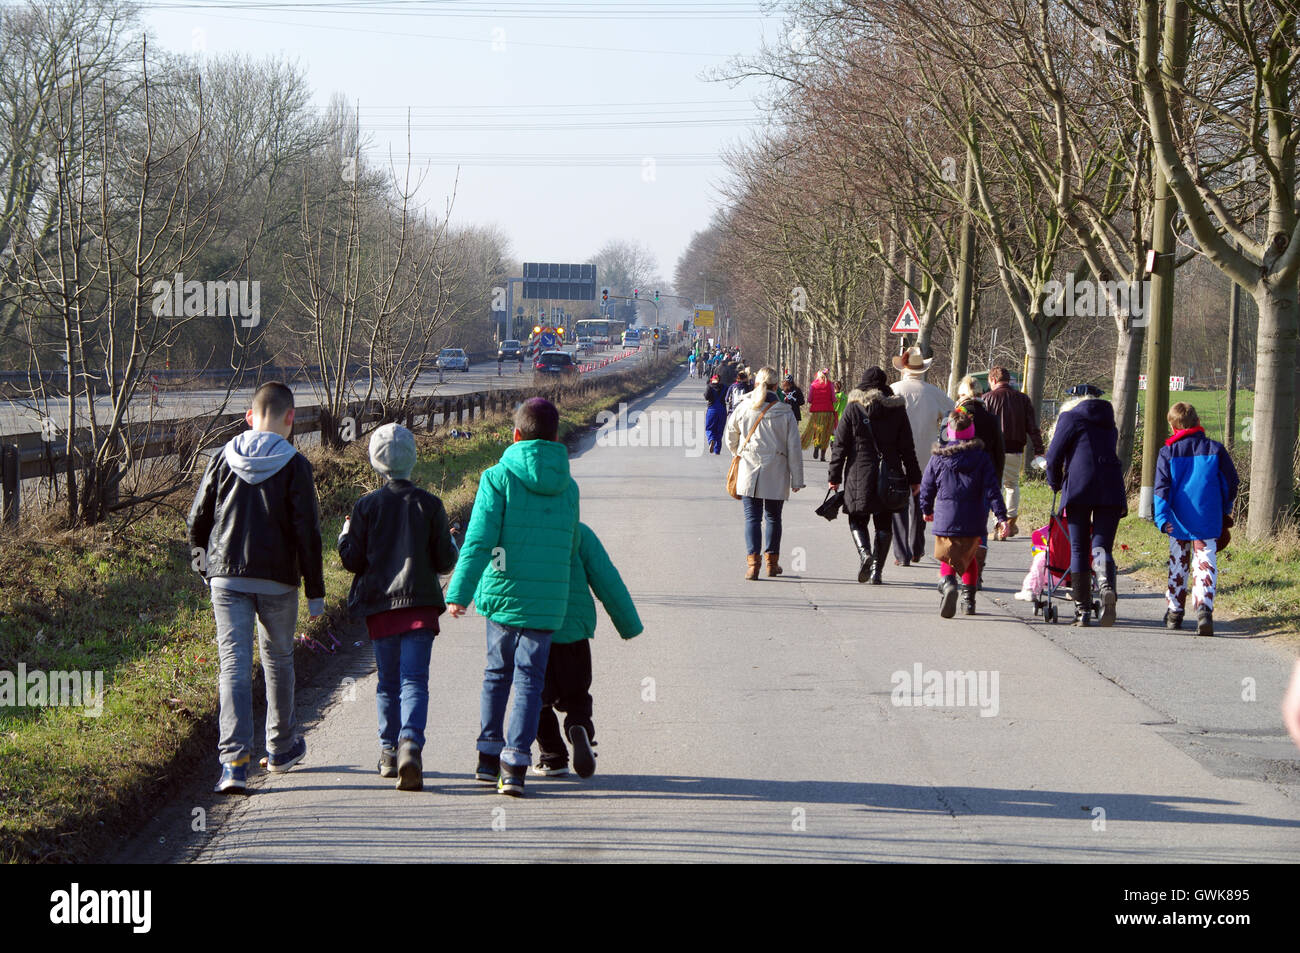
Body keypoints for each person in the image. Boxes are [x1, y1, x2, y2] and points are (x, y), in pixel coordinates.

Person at [187, 381, 325, 794]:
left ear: (249, 417)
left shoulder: (221, 458)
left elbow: (198, 519)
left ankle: (233, 764)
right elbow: (309, 533)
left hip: (226, 577)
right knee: (278, 660)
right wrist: (315, 591)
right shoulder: (296, 466)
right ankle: (281, 749)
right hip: (278, 580)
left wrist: (203, 565)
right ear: (290, 418)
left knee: (233, 664)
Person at [445, 397, 580, 797]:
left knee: (496, 675)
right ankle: (516, 766)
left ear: (515, 435)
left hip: (503, 597)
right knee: (530, 682)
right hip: (547, 604)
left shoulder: (497, 477)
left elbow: (479, 540)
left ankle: (487, 760)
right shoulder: (568, 487)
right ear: (555, 437)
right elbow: (570, 547)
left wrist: (459, 592)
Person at [338, 423, 459, 791]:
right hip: (420, 606)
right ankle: (411, 744)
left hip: (381, 610)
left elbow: (352, 560)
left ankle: (388, 753)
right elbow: (443, 562)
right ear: (414, 458)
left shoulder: (366, 507)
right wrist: (453, 542)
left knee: (388, 683)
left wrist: (345, 535)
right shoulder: (430, 504)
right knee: (415, 681)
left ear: (376, 463)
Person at [534, 522, 643, 778]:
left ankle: (552, 757)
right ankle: (578, 727)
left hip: (534, 632)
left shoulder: (516, 531)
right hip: (574, 632)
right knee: (578, 695)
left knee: (536, 699)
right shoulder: (577, 531)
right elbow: (606, 578)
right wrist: (628, 624)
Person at [828, 366, 921, 584]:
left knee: (857, 518)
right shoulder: (897, 410)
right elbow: (907, 447)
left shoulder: (853, 409)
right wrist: (914, 478)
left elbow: (840, 445)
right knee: (884, 522)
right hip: (889, 473)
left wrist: (834, 475)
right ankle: (877, 571)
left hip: (858, 473)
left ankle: (865, 554)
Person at [1154, 401, 1239, 636]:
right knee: (1205, 562)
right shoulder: (1215, 449)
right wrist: (1224, 507)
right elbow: (1231, 482)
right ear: (1197, 422)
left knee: (1178, 563)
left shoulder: (1167, 452)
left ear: (1173, 427)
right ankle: (1204, 610)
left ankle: (1174, 612)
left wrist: (1161, 518)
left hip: (1177, 519)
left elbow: (1161, 489)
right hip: (1207, 516)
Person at [1044, 384, 1126, 627]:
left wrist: (1055, 483)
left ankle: (1083, 610)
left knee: (1079, 547)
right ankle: (1105, 585)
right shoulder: (1109, 421)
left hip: (1080, 486)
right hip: (1111, 486)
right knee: (1102, 545)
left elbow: (1053, 457)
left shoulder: (1070, 418)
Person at [920, 408, 1008, 617]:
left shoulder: (938, 458)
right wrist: (1001, 517)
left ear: (948, 432)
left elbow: (927, 486)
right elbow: (992, 489)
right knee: (969, 559)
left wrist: (926, 508)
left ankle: (949, 584)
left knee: (947, 557)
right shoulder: (982, 458)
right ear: (972, 432)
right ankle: (969, 601)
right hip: (974, 517)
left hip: (946, 517)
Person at [726, 366, 805, 579]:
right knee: (773, 517)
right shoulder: (785, 412)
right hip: (776, 471)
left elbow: (730, 434)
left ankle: (753, 565)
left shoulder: (744, 407)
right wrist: (797, 479)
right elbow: (794, 448)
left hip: (749, 468)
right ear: (776, 386)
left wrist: (738, 451)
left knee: (752, 518)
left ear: (755, 383)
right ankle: (772, 563)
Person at [890, 346, 954, 567]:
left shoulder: (894, 390)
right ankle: (917, 547)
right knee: (920, 502)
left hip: (898, 455)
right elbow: (954, 415)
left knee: (899, 503)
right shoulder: (933, 392)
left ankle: (901, 552)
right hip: (927, 455)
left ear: (903, 368)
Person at [983, 367, 1045, 539]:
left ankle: (999, 525)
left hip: (994, 451)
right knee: (1012, 484)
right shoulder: (1023, 399)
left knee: (997, 487)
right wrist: (1039, 450)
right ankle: (1011, 521)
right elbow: (1033, 428)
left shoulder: (987, 399)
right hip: (1016, 449)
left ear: (993, 380)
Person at [955, 376, 1005, 588]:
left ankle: (958, 570)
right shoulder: (991, 419)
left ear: (961, 395)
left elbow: (944, 447)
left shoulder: (956, 416)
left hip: (958, 480)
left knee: (956, 525)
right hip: (985, 479)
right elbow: (999, 454)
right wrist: (997, 482)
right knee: (980, 526)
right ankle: (977, 572)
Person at [802, 369, 836, 460]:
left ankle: (816, 445)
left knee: (817, 431)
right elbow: (833, 399)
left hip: (816, 413)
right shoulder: (830, 384)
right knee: (826, 432)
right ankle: (823, 455)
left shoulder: (813, 385)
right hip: (828, 411)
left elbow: (809, 399)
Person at [704, 373, 727, 454]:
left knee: (709, 428)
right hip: (722, 410)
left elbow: (706, 397)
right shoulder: (725, 387)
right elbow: (727, 398)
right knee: (719, 430)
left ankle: (711, 440)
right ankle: (717, 450)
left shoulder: (710, 386)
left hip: (712, 410)